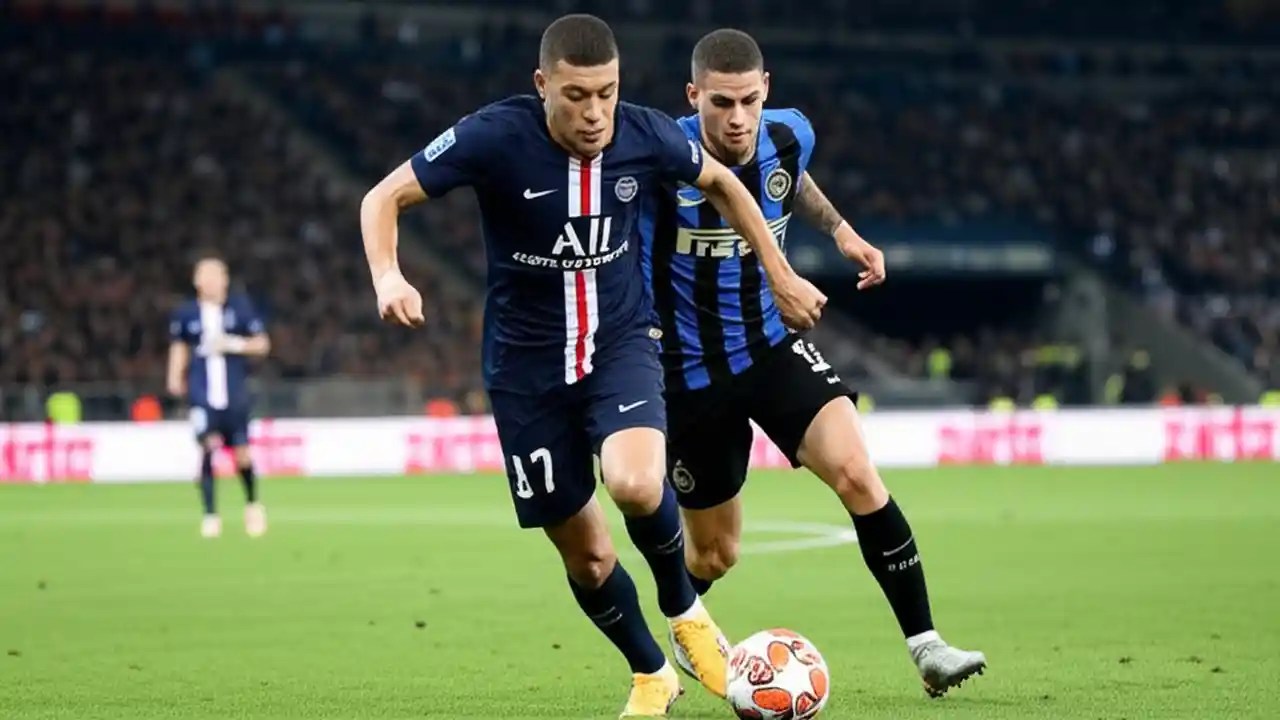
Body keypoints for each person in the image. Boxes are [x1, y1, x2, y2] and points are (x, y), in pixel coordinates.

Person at [358, 15, 826, 718]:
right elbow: (381, 197)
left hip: (620, 344)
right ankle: (650, 672)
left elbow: (726, 184)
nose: (596, 112)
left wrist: (780, 272)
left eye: (607, 92)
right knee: (589, 556)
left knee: (637, 482)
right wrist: (388, 276)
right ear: (543, 85)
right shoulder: (493, 136)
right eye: (577, 95)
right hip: (525, 371)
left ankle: (684, 610)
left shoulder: (643, 133)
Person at [642, 29, 987, 697]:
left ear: (766, 89)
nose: (738, 118)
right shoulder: (661, 157)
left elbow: (793, 180)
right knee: (716, 552)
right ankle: (687, 618)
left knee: (858, 473)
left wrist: (842, 231)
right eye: (721, 104)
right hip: (689, 374)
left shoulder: (790, 133)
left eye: (748, 100)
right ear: (694, 97)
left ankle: (927, 646)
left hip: (772, 346)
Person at [167, 254, 271, 539]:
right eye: (205, 275)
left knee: (242, 456)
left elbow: (262, 344)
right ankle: (210, 514)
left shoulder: (240, 309)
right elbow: (179, 347)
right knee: (206, 448)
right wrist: (174, 377)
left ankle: (252, 504)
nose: (211, 281)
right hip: (201, 395)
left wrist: (232, 344)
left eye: (216, 275)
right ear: (196, 281)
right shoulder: (186, 313)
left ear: (225, 279)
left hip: (234, 394)